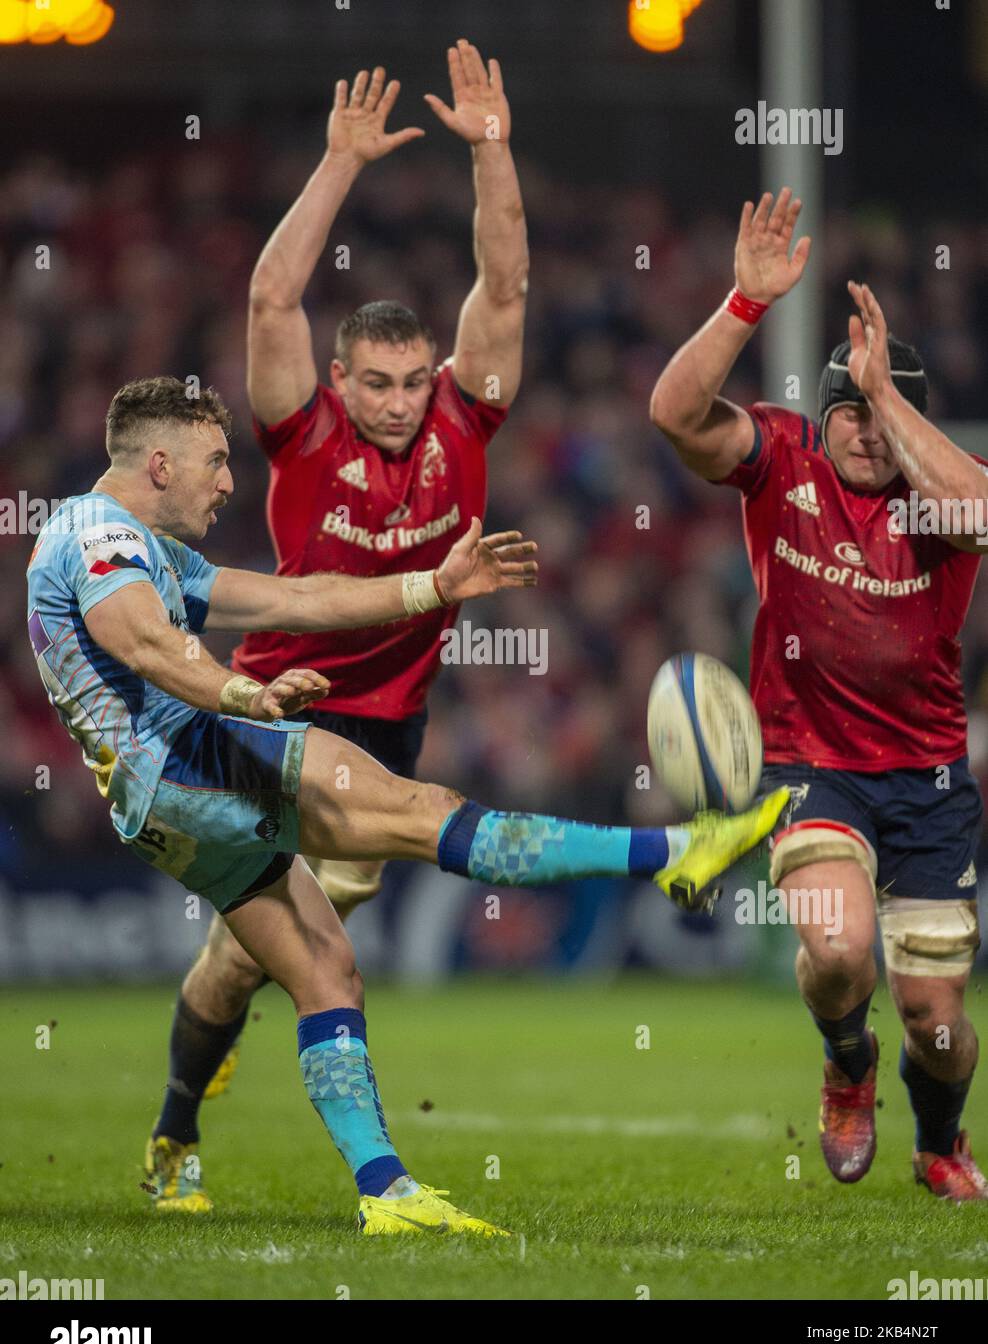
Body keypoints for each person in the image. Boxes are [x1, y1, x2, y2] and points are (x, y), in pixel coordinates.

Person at [26, 376, 789, 1235]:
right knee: (422, 811)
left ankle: (372, 1190)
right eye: (215, 462)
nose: (229, 482)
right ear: (160, 464)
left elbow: (295, 598)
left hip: (158, 812)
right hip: (190, 759)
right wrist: (245, 694)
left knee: (327, 971)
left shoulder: (144, 550)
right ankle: (672, 853)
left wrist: (433, 585)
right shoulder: (98, 533)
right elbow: (141, 641)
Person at [149, 43, 533, 1207]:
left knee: (241, 961)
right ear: (338, 376)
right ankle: (178, 1138)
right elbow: (270, 297)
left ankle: (187, 1101)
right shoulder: (301, 431)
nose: (399, 403)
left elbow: (505, 287)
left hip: (388, 727)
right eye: (376, 382)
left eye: (413, 381)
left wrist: (492, 151)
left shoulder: (465, 421)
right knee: (287, 960)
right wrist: (338, 164)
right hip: (275, 712)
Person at [650, 186, 988, 1202]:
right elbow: (673, 414)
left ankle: (939, 1142)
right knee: (839, 953)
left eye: (879, 417)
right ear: (824, 413)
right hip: (808, 764)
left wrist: (890, 398)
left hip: (928, 776)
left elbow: (978, 515)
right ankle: (847, 1062)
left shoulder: (942, 490)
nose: (864, 436)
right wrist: (744, 304)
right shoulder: (782, 460)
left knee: (937, 1018)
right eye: (850, 413)